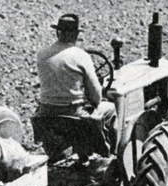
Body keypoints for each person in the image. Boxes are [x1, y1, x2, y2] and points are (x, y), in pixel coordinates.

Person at [35, 13, 116, 150]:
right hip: (73, 113)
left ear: (57, 32)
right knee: (110, 109)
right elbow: (96, 96)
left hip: (45, 112)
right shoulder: (81, 56)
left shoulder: (42, 54)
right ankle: (110, 152)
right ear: (75, 35)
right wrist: (93, 100)